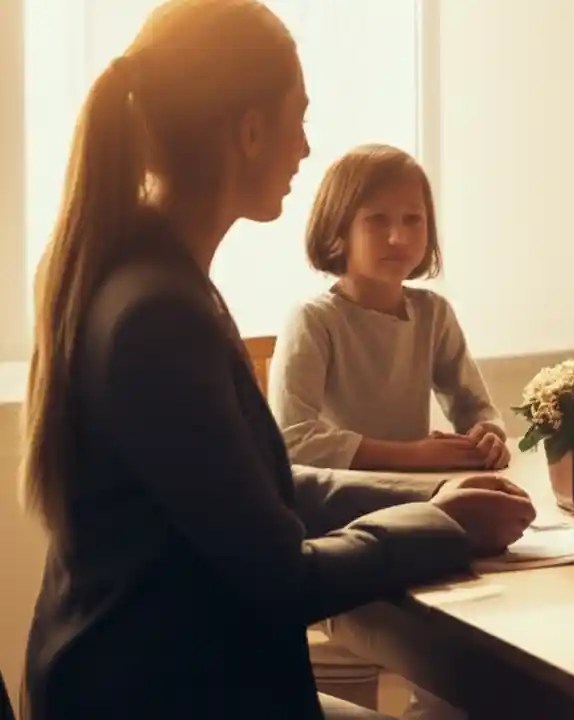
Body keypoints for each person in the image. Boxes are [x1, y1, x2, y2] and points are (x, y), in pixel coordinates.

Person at [18, 2, 533, 718]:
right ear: (251, 132)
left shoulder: (139, 275)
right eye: (299, 118)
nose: (305, 147)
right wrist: (445, 527)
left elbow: (252, 489)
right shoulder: (157, 316)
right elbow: (283, 578)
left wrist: (428, 497)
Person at [270, 144, 508, 472]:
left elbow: (474, 407)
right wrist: (413, 455)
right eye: (377, 220)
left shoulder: (433, 313)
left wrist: (488, 433)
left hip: (416, 489)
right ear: (338, 229)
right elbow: (293, 440)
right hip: (340, 494)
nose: (398, 238)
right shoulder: (314, 320)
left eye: (413, 220)